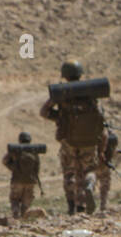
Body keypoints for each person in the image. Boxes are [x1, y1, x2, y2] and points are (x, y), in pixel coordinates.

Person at [39, 60, 105, 214]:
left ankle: (71, 206)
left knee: (69, 172)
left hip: (69, 141)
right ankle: (86, 191)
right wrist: (101, 148)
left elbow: (44, 112)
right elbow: (101, 119)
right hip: (89, 141)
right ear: (80, 73)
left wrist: (59, 118)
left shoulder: (61, 93)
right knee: (89, 170)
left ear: (65, 75)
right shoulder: (92, 92)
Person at [2, 131, 42, 219]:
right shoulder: (34, 151)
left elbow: (4, 161)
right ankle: (24, 217)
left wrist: (13, 168)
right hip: (30, 181)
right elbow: (37, 166)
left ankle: (16, 215)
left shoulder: (15, 150)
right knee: (26, 202)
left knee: (15, 199)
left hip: (17, 180)